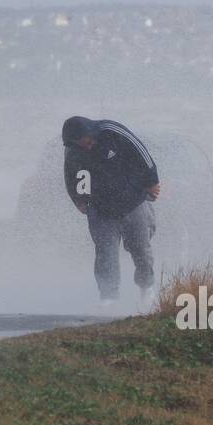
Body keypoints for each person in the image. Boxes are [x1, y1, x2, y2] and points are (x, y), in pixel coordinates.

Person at [61, 115, 161, 307]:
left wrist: (152, 181)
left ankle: (146, 288)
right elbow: (71, 176)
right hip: (100, 209)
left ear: (92, 133)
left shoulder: (112, 132)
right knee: (106, 253)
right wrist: (79, 200)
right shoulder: (73, 152)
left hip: (134, 201)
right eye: (83, 145)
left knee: (141, 249)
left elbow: (142, 153)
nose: (87, 147)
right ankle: (108, 297)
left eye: (89, 142)